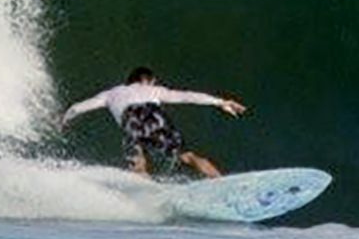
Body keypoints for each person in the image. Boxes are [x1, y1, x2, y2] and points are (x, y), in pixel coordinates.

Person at [60, 66, 247, 178]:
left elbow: (77, 108)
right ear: (146, 80)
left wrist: (64, 120)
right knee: (187, 156)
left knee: (138, 162)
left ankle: (149, 193)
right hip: (153, 114)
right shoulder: (154, 90)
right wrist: (220, 102)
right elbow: (186, 96)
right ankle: (219, 180)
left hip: (130, 118)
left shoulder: (110, 93)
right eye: (153, 81)